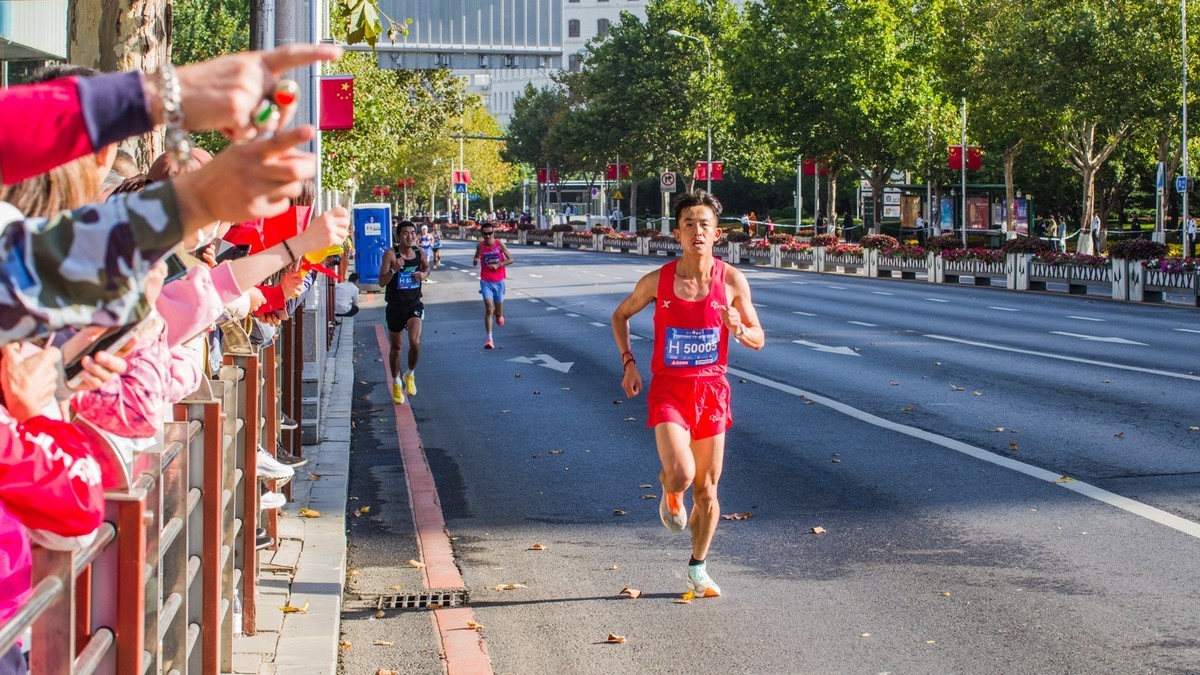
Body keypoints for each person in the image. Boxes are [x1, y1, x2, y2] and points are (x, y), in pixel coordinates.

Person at [610, 190, 764, 599]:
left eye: (705, 225)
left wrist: (739, 329)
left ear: (717, 234)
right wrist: (628, 362)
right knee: (681, 474)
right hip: (669, 389)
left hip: (712, 392)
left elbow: (758, 338)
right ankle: (669, 488)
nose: (698, 231)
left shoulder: (731, 280)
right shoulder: (658, 280)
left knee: (708, 490)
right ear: (677, 233)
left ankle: (698, 566)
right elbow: (620, 315)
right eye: (690, 224)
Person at [378, 221, 429, 405]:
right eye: (405, 233)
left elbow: (426, 268)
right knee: (396, 347)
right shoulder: (391, 254)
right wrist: (394, 269)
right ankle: (396, 381)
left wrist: (423, 275)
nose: (409, 236)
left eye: (412, 233)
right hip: (395, 306)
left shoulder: (419, 252)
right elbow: (381, 282)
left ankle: (410, 374)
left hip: (414, 303)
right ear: (398, 236)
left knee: (415, 342)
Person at [472, 222, 513, 350]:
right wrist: (476, 261)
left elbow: (511, 259)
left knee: (498, 313)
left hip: (499, 281)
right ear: (482, 234)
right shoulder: (480, 245)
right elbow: (476, 257)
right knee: (489, 309)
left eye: (490, 233)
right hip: (485, 281)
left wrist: (498, 265)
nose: (488, 235)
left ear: (493, 233)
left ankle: (499, 314)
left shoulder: (499, 244)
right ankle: (489, 339)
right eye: (485, 233)